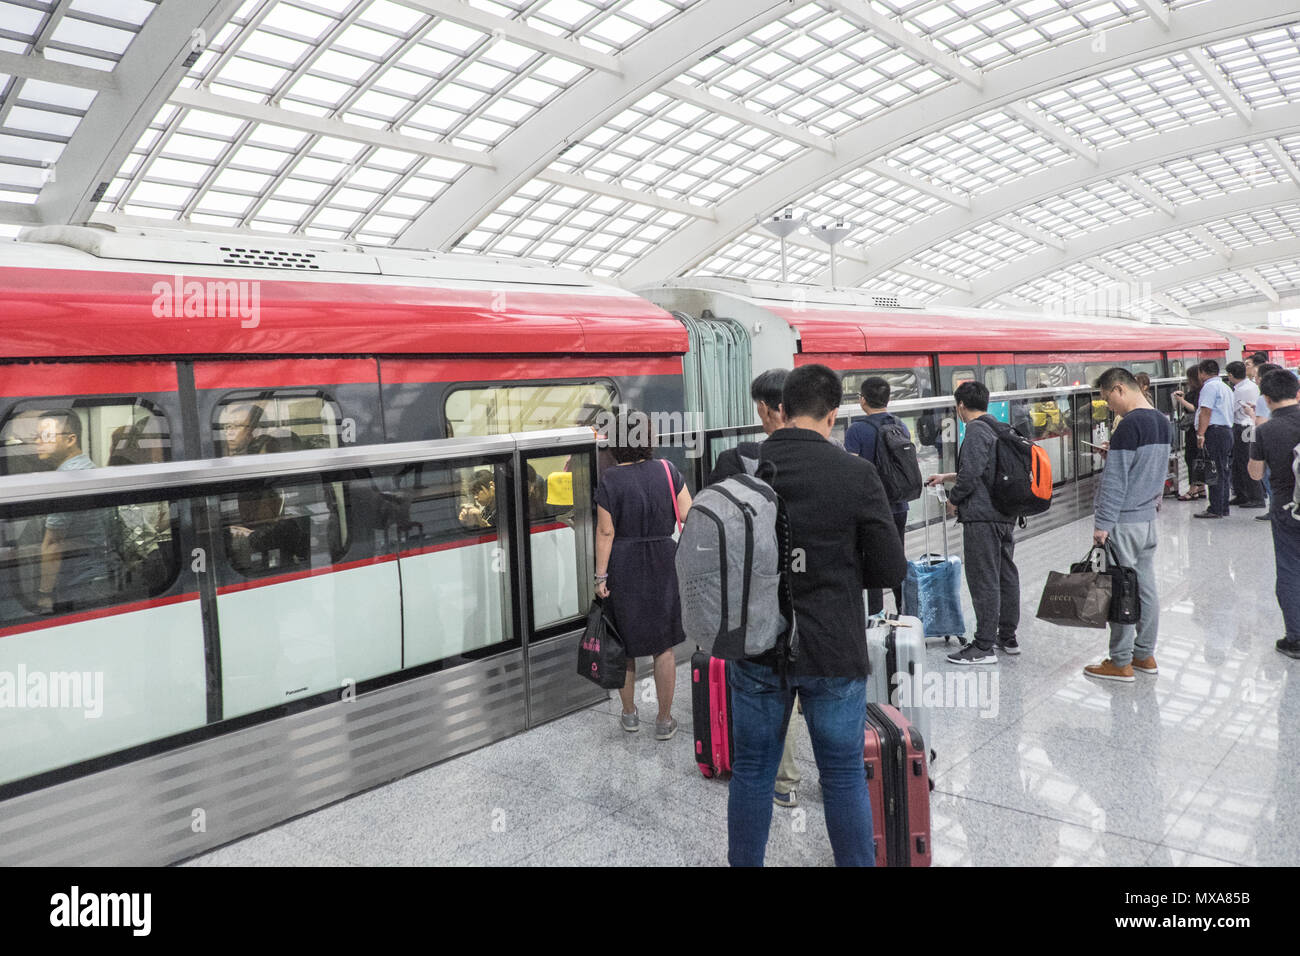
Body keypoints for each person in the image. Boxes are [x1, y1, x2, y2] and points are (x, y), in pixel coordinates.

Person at [727, 364, 907, 867]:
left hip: (758, 647)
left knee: (753, 770)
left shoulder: (739, 468)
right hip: (833, 648)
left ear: (780, 411)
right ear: (833, 415)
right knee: (843, 774)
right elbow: (890, 568)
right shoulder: (854, 473)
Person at [707, 368, 805, 811]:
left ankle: (773, 778)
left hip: (755, 600)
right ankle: (789, 780)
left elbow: (712, 535)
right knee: (804, 686)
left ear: (767, 409)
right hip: (811, 601)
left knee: (764, 689)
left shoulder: (735, 460)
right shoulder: (833, 460)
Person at [594, 409, 693, 741]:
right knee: (663, 646)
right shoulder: (668, 470)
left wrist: (600, 576)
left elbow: (606, 532)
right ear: (649, 438)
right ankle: (664, 720)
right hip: (665, 559)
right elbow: (687, 513)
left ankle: (630, 714)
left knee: (625, 643)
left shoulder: (610, 479)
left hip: (624, 561)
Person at [1081, 369, 1173, 682]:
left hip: (1123, 523)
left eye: (1108, 399)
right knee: (1145, 589)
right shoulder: (1162, 421)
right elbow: (1157, 470)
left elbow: (1116, 480)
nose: (1110, 406)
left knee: (1121, 590)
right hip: (1147, 520)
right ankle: (1144, 654)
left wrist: (1102, 524)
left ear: (1119, 389)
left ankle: (1120, 661)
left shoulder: (1129, 425)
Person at [926, 380, 1021, 664]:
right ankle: (1008, 637)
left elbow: (972, 474)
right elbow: (985, 469)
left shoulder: (976, 430)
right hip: (1005, 513)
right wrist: (947, 476)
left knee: (984, 579)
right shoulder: (997, 426)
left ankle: (983, 646)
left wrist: (954, 497)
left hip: (982, 517)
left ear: (961, 406)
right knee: (1006, 574)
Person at [844, 376, 911, 616]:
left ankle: (876, 616)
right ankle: (906, 611)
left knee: (871, 562)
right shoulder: (900, 425)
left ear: (862, 400)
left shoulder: (857, 430)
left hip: (872, 508)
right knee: (896, 557)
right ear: (888, 399)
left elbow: (852, 471)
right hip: (900, 505)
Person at [35, 409, 110, 613]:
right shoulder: (87, 467)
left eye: (47, 436)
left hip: (80, 583)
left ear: (70, 440)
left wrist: (44, 595)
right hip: (97, 574)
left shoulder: (66, 480)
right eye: (37, 436)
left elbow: (53, 544)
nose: (38, 441)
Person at [1248, 368, 1300, 659]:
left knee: (1291, 571)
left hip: (1286, 508)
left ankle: (1295, 639)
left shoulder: (1265, 430)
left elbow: (1255, 475)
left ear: (1266, 399)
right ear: (1297, 393)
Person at [1193, 359, 1235, 519]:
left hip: (1215, 432)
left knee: (1214, 470)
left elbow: (1206, 411)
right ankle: (1223, 506)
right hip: (1226, 432)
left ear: (1202, 372)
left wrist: (1201, 434)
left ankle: (1215, 508)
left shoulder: (1209, 387)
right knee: (1223, 470)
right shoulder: (1225, 387)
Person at [1227, 361, 1265, 509]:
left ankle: (1256, 497)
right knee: (1239, 461)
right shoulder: (1251, 386)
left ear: (1230, 375)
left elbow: (1232, 410)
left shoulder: (1240, 390)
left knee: (1245, 460)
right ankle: (1244, 494)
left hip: (1245, 428)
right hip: (1248, 427)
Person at [1253, 363, 1284, 520]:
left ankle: (1275, 510)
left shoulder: (1263, 398)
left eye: (1258, 375)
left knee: (1269, 478)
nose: (1255, 378)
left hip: (1270, 444)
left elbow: (1261, 423)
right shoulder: (1287, 396)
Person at [1172, 368, 1205, 501]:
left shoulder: (1200, 392)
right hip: (1197, 428)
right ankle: (1201, 488)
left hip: (1194, 429)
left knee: (1192, 458)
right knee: (1198, 458)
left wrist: (1181, 400)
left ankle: (1193, 490)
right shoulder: (1201, 390)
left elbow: (1195, 408)